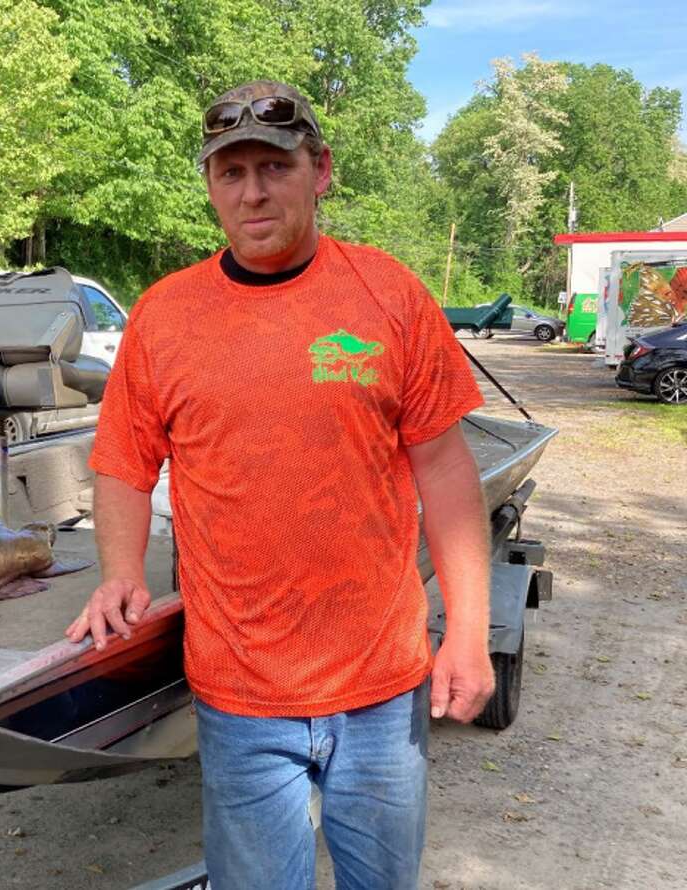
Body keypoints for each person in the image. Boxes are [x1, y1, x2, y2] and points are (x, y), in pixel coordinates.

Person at [65, 80, 496, 889]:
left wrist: (467, 633)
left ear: (320, 169)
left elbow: (445, 471)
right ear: (210, 185)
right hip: (239, 691)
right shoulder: (164, 316)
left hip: (382, 683)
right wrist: (120, 573)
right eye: (231, 173)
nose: (253, 191)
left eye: (275, 165)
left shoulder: (390, 295)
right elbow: (123, 464)